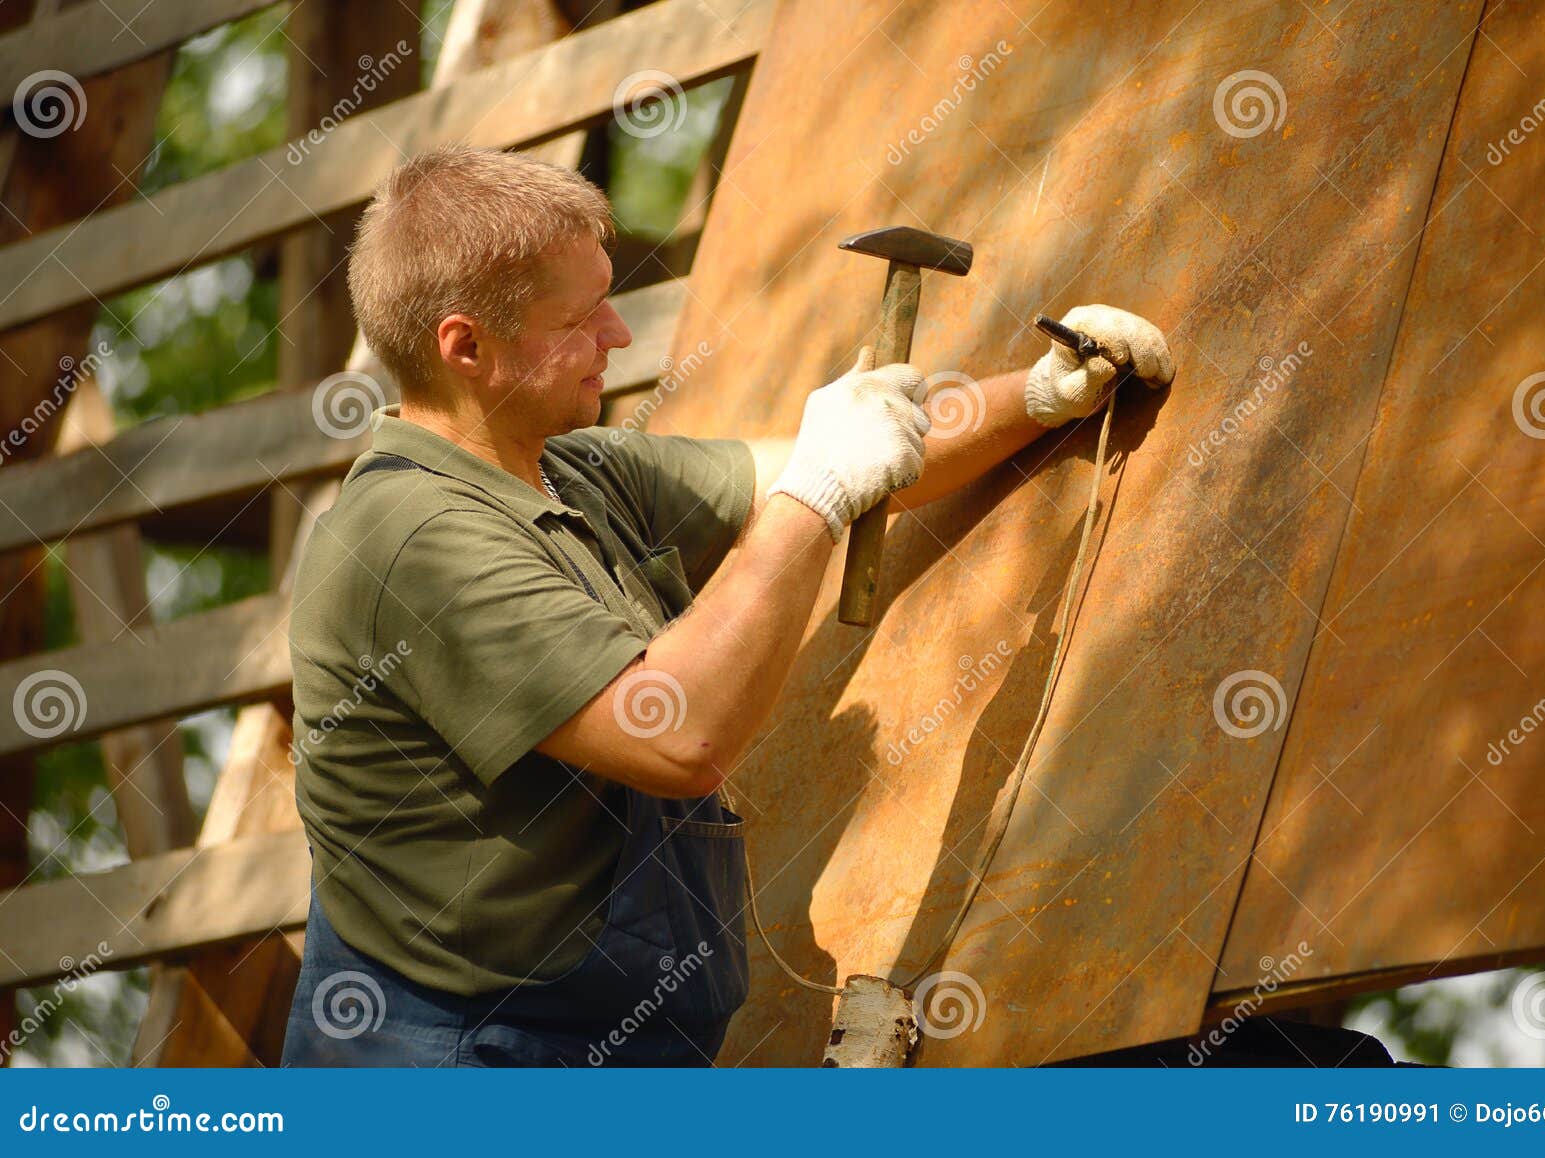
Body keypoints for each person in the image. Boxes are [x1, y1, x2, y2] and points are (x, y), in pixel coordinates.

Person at [280, 144, 1174, 1067]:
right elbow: (679, 733)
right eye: (580, 318)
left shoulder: (572, 469)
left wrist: (1037, 397)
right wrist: (821, 490)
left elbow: (834, 469)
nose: (618, 335)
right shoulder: (409, 538)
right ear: (464, 346)